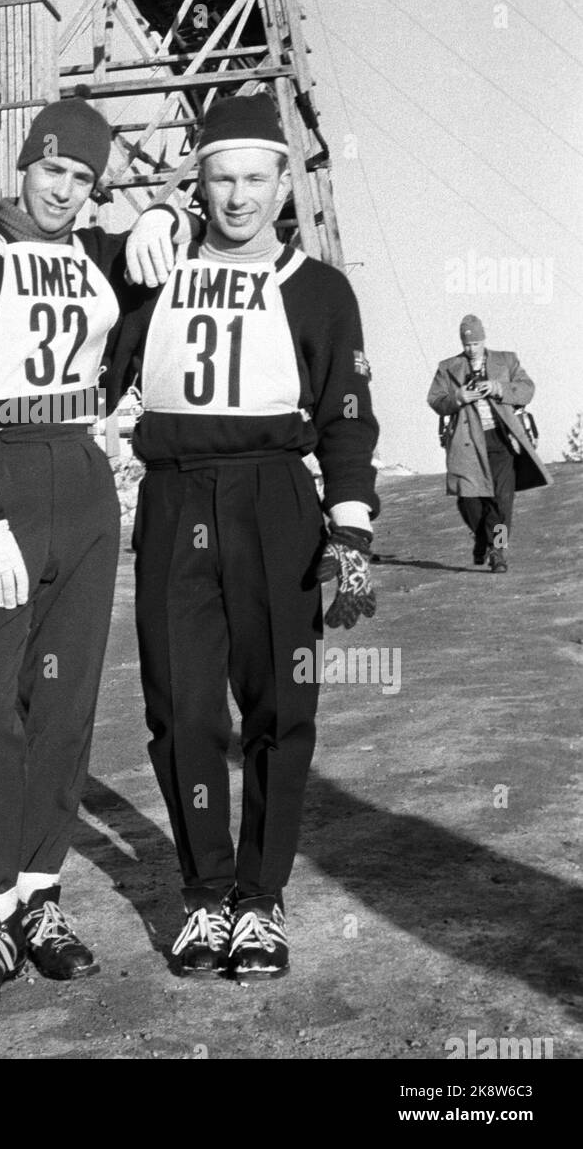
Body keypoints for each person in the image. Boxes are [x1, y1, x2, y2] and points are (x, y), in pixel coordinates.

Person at [102, 92, 380, 981]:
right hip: (176, 497)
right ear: (198, 181)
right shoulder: (154, 268)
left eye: (254, 178)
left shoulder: (319, 290)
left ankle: (258, 903)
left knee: (278, 707)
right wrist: (140, 221)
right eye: (218, 179)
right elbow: (63, 270)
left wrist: (351, 531)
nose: (236, 198)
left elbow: (346, 414)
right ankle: (203, 895)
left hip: (273, 500)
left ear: (281, 181)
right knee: (180, 709)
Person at [0, 95, 180, 1007]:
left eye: (83, 180)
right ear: (21, 168)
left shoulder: (98, 259)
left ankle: (39, 895)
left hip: (81, 477)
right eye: (52, 171)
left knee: (64, 708)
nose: (64, 190)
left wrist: (162, 213)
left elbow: (159, 261)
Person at [426, 315, 550, 572]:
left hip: (502, 440)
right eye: (467, 343)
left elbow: (527, 388)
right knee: (469, 499)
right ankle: (483, 538)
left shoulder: (506, 360)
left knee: (502, 502)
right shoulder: (448, 367)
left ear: (483, 340)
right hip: (467, 442)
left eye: (475, 343)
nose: (471, 349)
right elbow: (436, 400)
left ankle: (499, 551)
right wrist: (458, 397)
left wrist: (497, 387)